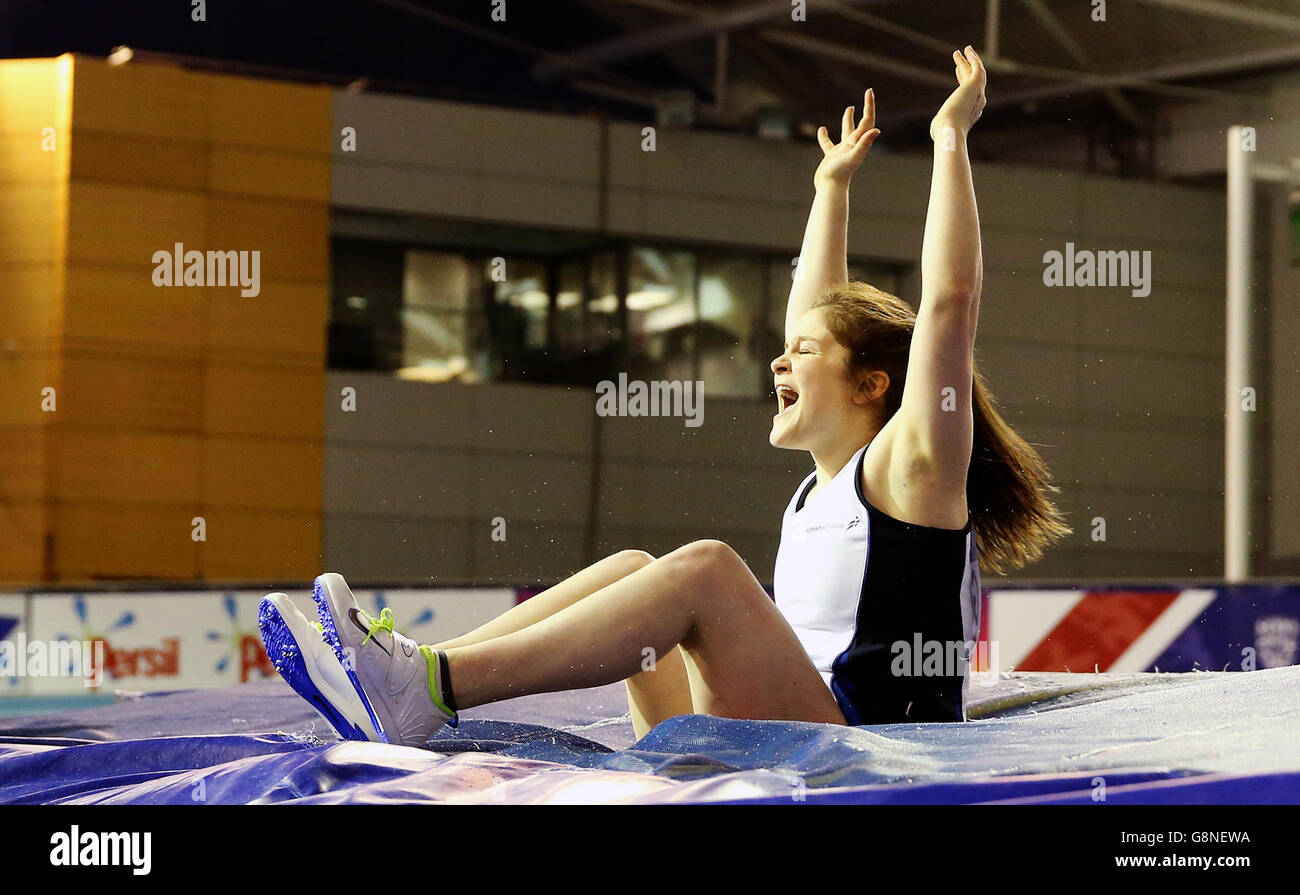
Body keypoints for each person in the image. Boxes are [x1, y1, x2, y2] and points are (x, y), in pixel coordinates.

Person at [260, 46, 1070, 747]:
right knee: (633, 568)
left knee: (708, 571)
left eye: (803, 354)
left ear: (873, 383)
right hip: (790, 738)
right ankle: (419, 681)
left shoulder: (916, 469)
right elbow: (816, 313)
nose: (778, 361)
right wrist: (831, 190)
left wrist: (950, 137)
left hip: (867, 761)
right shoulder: (827, 482)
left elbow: (949, 302)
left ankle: (425, 688)